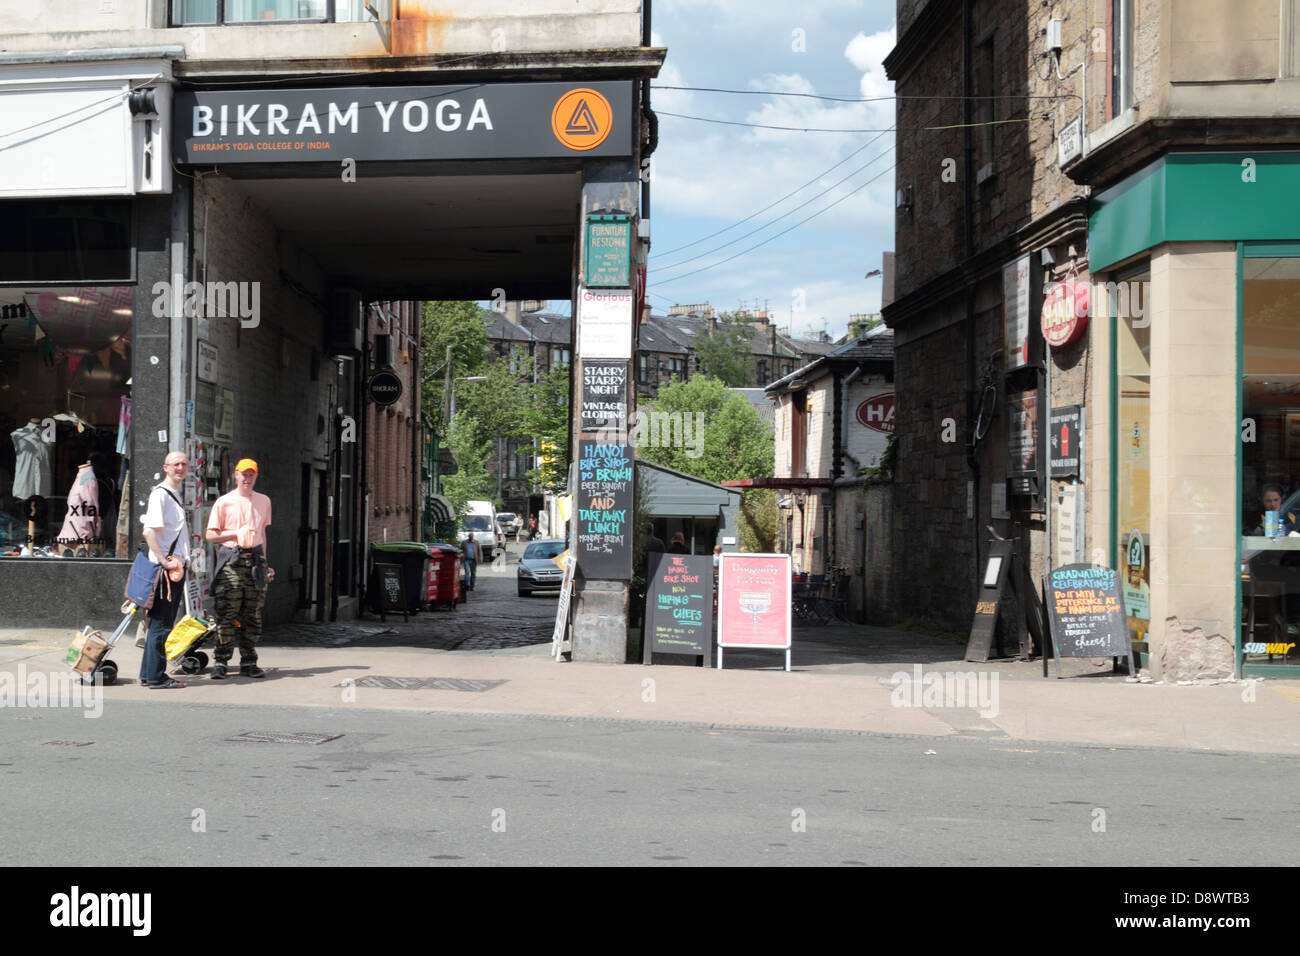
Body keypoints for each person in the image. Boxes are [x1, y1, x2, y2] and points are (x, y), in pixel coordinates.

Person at [205, 458, 274, 680]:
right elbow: (211, 535)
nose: (247, 478)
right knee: (227, 613)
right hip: (231, 562)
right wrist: (236, 534)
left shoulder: (263, 501)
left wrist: (265, 563)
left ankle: (249, 661)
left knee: (252, 615)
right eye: (243, 474)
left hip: (255, 561)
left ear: (256, 476)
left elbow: (262, 535)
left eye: (251, 474)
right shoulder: (224, 502)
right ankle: (221, 661)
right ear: (236, 475)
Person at [138, 451, 189, 689]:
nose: (180, 467)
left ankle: (149, 674)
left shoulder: (173, 495)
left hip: (173, 568)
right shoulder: (161, 495)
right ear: (166, 467)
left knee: (159, 622)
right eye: (176, 464)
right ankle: (156, 676)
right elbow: (149, 531)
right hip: (166, 571)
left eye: (184, 464)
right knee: (161, 624)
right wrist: (164, 561)